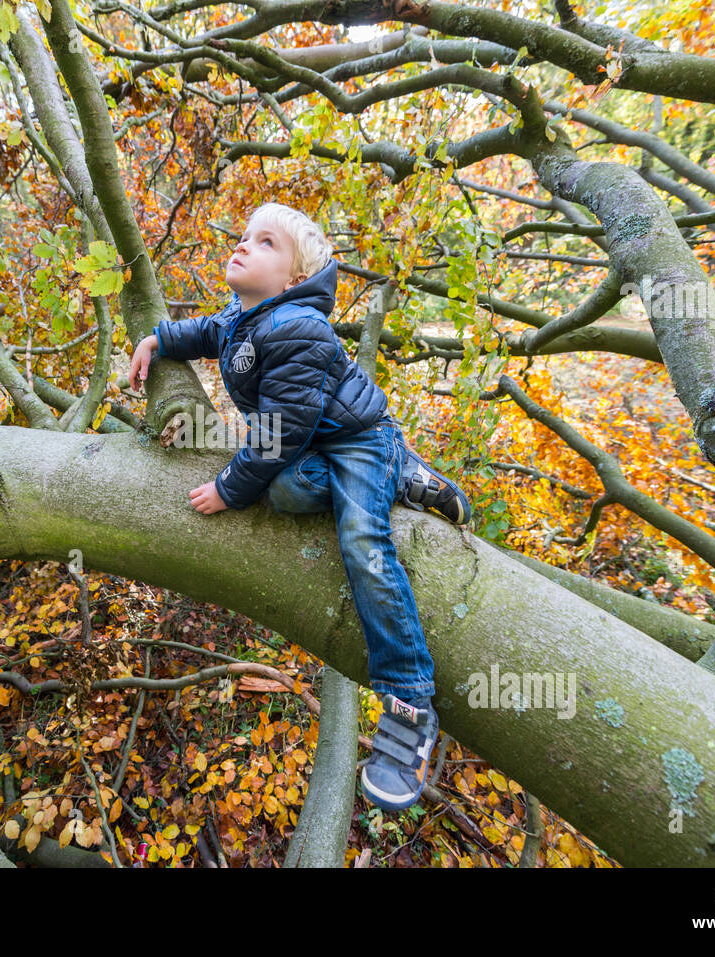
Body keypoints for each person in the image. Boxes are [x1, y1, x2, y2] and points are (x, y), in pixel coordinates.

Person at [127, 202, 471, 812]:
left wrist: (230, 488)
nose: (243, 246)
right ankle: (406, 475)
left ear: (291, 279)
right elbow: (208, 331)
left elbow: (278, 434)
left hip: (356, 437)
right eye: (243, 236)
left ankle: (409, 701)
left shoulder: (297, 328)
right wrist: (158, 338)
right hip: (315, 442)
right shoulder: (245, 315)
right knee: (286, 493)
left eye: (264, 243)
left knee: (363, 542)